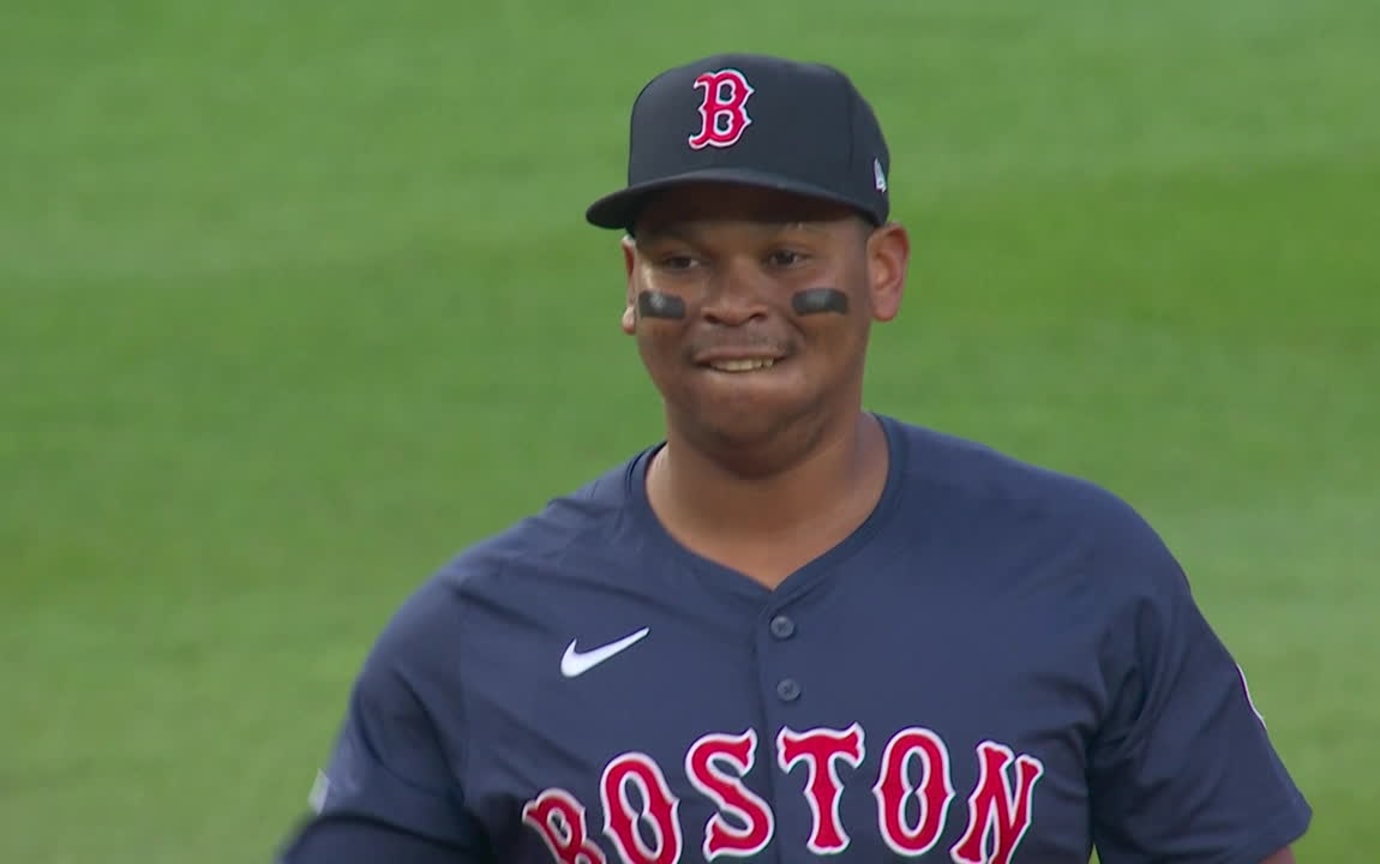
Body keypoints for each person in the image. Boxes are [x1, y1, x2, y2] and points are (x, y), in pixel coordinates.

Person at [275, 52, 1312, 864]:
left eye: (784, 257)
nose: (733, 304)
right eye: (684, 260)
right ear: (632, 286)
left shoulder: (1083, 569)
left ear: (884, 271)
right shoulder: (478, 631)